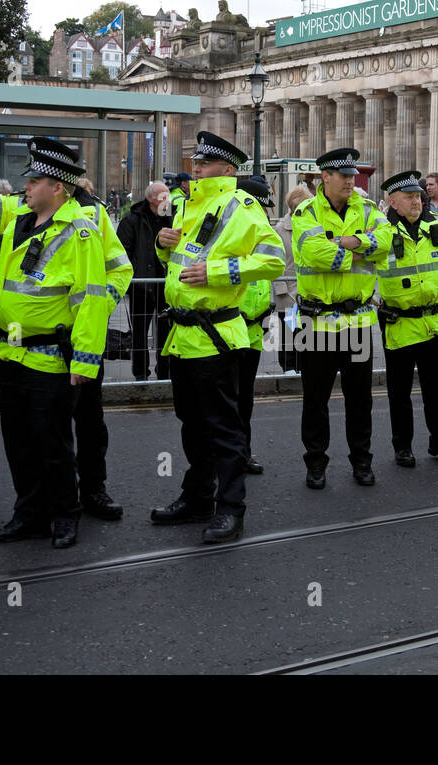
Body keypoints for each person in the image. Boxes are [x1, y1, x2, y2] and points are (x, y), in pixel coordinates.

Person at [0, 138, 118, 550]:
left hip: (50, 359)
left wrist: (85, 358)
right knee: (18, 443)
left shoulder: (79, 231)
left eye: (35, 180)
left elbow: (92, 298)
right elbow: (1, 283)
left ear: (58, 187)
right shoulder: (16, 225)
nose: (27, 187)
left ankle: (65, 514)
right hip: (11, 353)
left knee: (53, 444)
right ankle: (28, 514)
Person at [150, 131, 285, 543]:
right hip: (182, 336)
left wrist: (219, 272)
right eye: (195, 161)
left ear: (226, 169)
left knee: (223, 430)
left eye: (204, 163)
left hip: (215, 337)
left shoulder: (240, 204)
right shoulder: (187, 204)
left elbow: (273, 258)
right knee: (191, 426)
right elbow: (180, 263)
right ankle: (196, 499)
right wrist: (161, 244)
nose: (195, 167)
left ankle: (230, 510)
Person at [293, 147, 392, 489]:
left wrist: (344, 241)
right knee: (314, 400)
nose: (352, 181)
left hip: (358, 322)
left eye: (353, 175)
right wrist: (359, 248)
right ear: (325, 177)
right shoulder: (306, 211)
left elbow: (387, 242)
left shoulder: (368, 209)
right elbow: (314, 253)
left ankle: (361, 462)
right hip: (315, 320)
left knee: (360, 400)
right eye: (344, 175)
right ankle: (316, 464)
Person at [375, 170, 438, 468]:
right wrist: (374, 301)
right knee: (399, 393)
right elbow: (361, 270)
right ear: (393, 202)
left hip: (434, 321)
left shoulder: (435, 225)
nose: (417, 201)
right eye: (409, 197)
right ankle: (403, 447)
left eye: (418, 196)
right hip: (399, 323)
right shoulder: (383, 232)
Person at [70, 170, 133, 523]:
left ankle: (94, 489)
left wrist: (99, 307)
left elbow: (120, 268)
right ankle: (53, 498)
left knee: (90, 421)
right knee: (47, 426)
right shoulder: (24, 213)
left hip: (87, 336)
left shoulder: (93, 212)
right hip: (38, 340)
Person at [236, 176, 278, 474]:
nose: (264, 214)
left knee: (244, 399)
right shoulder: (233, 234)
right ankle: (221, 456)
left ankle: (242, 452)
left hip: (252, 332)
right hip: (225, 331)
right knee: (225, 400)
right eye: (260, 207)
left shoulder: (260, 235)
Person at [118, 181, 172, 381]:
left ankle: (165, 373)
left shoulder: (172, 219)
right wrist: (131, 280)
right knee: (139, 334)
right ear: (151, 199)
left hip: (166, 286)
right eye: (163, 197)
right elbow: (123, 253)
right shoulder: (132, 220)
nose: (168, 201)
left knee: (166, 333)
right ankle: (140, 374)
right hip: (141, 286)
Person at [274, 185, 312, 373]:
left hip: (308, 290)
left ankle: (304, 366)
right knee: (288, 331)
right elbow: (276, 262)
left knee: (306, 331)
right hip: (288, 291)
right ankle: (288, 365)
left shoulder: (313, 226)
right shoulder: (280, 229)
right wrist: (281, 290)